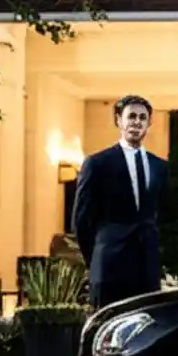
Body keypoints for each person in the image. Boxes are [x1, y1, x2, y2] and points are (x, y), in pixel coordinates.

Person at [73, 94, 170, 309]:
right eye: (131, 116)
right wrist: (98, 256)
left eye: (142, 118)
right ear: (119, 120)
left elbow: (165, 215)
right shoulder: (97, 164)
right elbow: (82, 222)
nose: (137, 122)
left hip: (146, 271)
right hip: (109, 268)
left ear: (149, 123)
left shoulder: (160, 167)